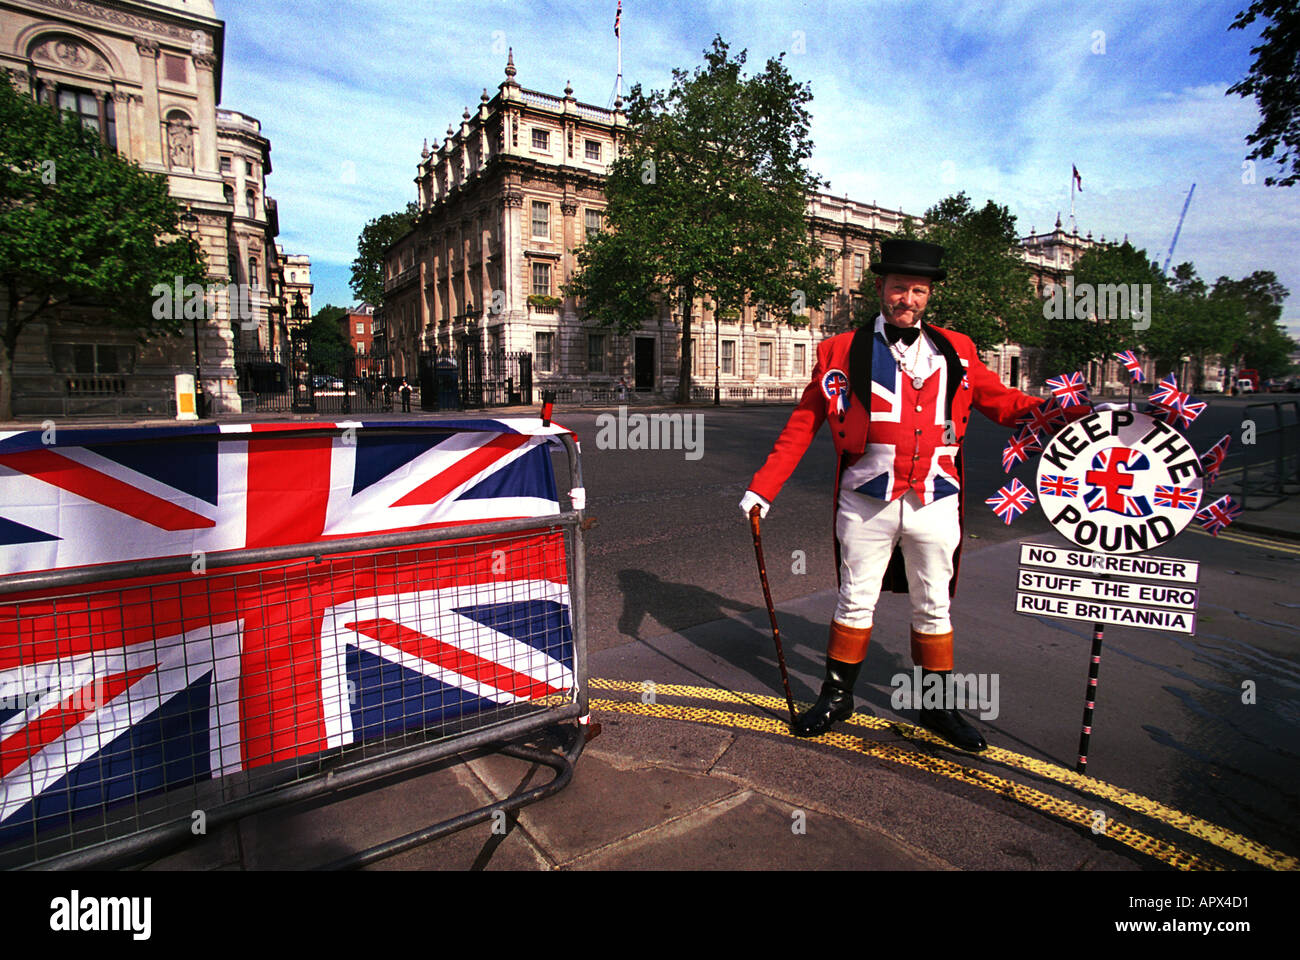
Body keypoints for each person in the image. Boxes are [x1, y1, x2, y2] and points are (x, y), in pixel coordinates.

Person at [740, 238, 1089, 750]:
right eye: (899, 287)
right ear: (880, 288)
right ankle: (838, 696)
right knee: (855, 598)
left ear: (929, 296)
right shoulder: (839, 350)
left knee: (934, 605)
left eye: (918, 290)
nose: (908, 298)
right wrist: (762, 488)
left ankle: (937, 706)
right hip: (865, 499)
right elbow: (804, 423)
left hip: (935, 498)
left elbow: (1003, 403)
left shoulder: (958, 348)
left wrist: (1074, 412)